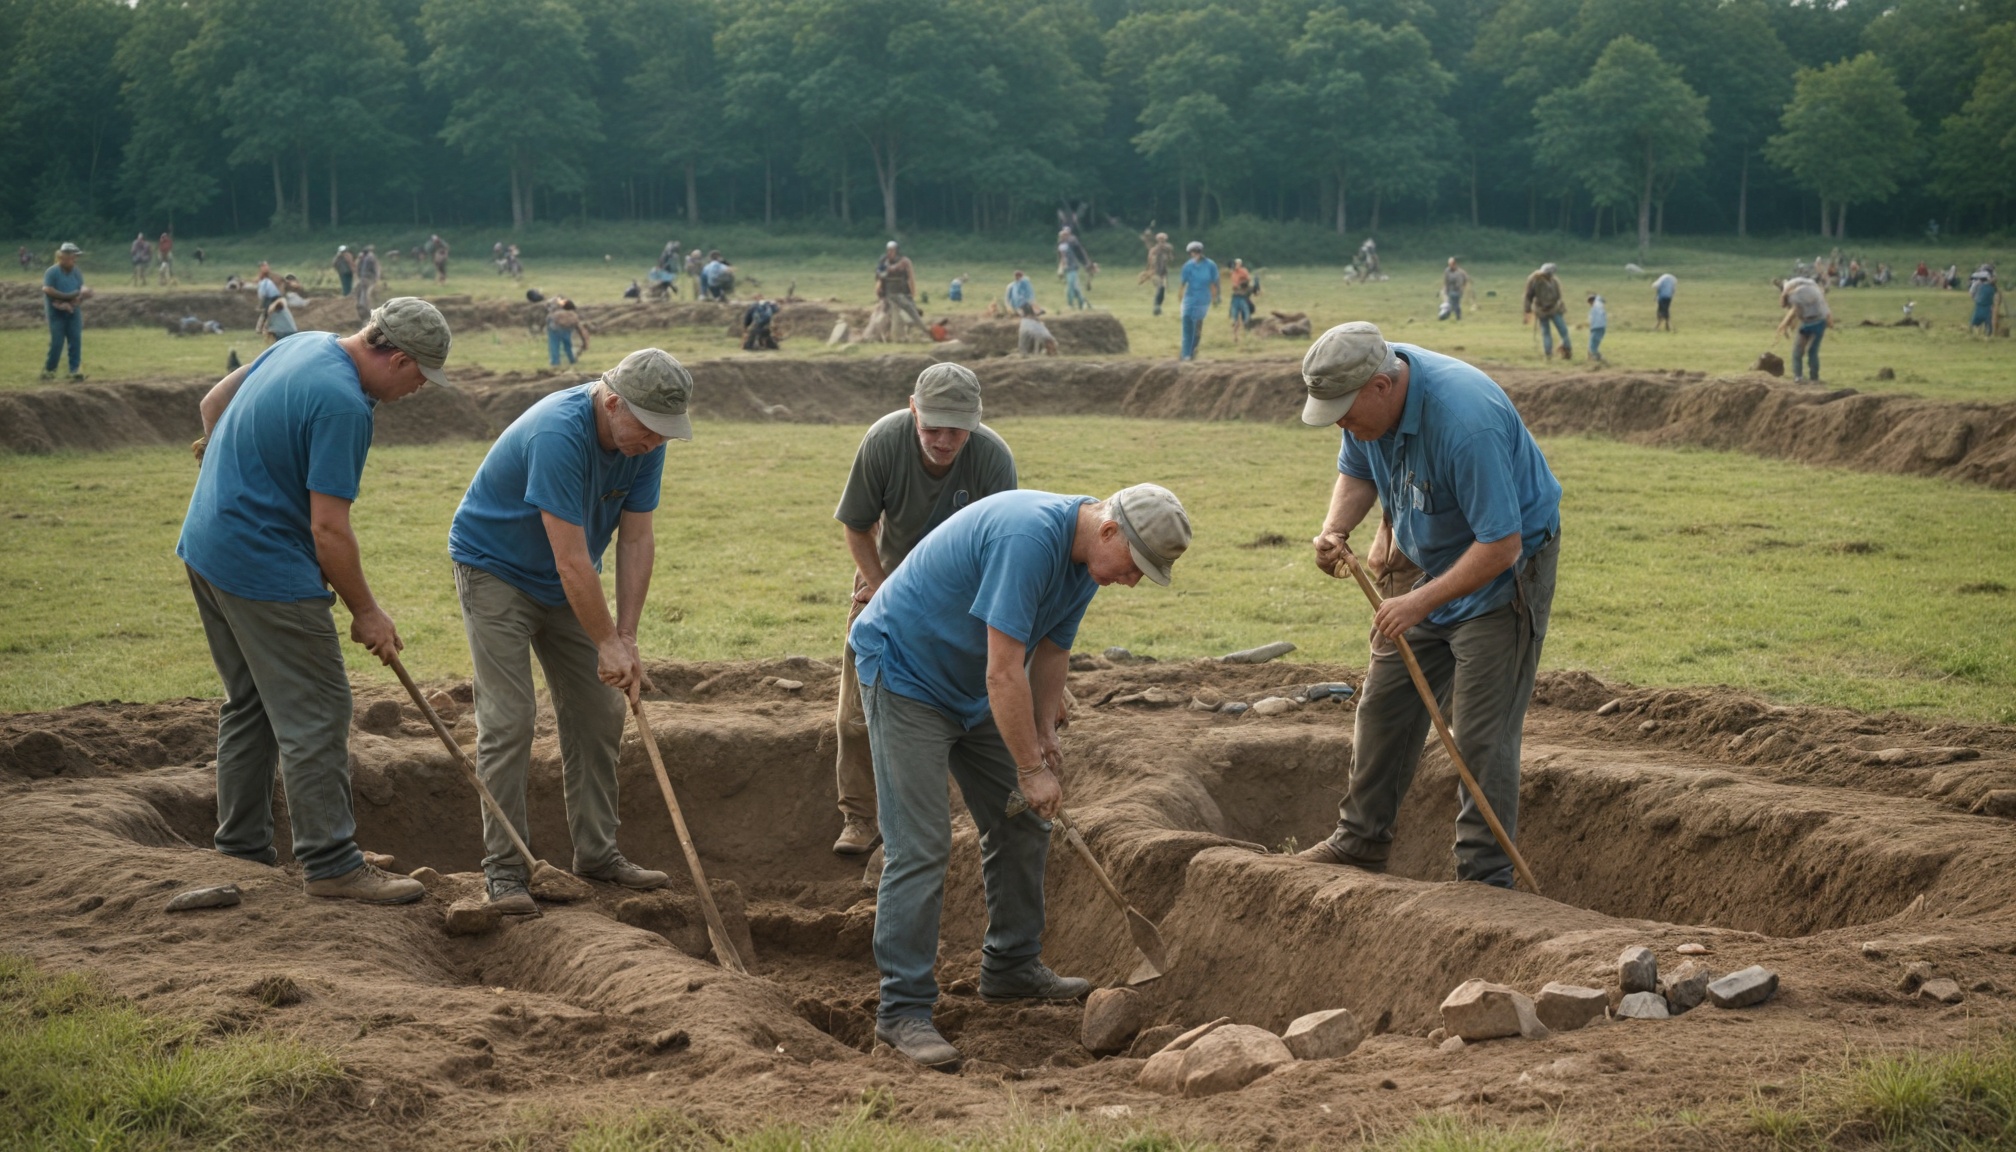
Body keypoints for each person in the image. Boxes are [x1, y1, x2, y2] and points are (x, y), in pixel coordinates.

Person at [849, 480, 1191, 1069]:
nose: (1133, 582)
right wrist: (1029, 766)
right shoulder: (1028, 539)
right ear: (1110, 530)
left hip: (971, 684)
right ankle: (902, 1011)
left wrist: (1045, 736)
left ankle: (1010, 965)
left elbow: (1052, 651)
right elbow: (1005, 672)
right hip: (906, 674)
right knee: (921, 845)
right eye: (1136, 568)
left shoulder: (1087, 562)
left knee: (1022, 821)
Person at [178, 298, 455, 906]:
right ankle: (331, 863)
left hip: (207, 544)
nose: (418, 391)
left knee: (251, 702)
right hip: (263, 567)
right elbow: (329, 530)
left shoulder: (304, 343)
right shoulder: (344, 405)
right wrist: (367, 612)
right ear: (398, 357)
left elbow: (212, 405)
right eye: (419, 378)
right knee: (318, 711)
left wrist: (231, 467)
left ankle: (243, 852)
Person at [1294, 322, 1560, 889]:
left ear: (1383, 387)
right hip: (1423, 555)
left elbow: (1502, 544)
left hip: (1501, 571)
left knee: (1482, 734)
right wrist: (1336, 529)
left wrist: (1418, 603)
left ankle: (1484, 879)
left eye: (1345, 409)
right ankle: (1359, 844)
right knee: (1384, 707)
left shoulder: (1467, 421)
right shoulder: (1367, 407)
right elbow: (1360, 467)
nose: (1342, 422)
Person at [447, 348, 692, 914]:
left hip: (566, 579)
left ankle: (597, 854)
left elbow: (635, 539)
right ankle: (505, 870)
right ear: (613, 403)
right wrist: (605, 640)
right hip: (496, 569)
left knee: (600, 709)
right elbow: (571, 560)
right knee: (510, 718)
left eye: (664, 435)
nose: (655, 444)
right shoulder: (559, 433)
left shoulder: (643, 441)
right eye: (650, 431)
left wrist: (625, 637)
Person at [830, 364, 1017, 856]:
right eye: (932, 427)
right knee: (855, 714)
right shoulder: (884, 441)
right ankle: (858, 817)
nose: (943, 439)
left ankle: (936, 819)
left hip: (961, 595)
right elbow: (857, 525)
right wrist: (881, 588)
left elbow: (1002, 549)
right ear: (913, 409)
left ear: (975, 422)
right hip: (885, 578)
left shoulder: (993, 458)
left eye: (956, 430)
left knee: (967, 714)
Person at [40, 242, 90, 381]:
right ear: (63, 257)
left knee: (75, 340)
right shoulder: (52, 272)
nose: (74, 260)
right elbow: (47, 289)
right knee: (57, 342)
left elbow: (81, 288)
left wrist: (79, 297)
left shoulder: (76, 272)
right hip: (56, 313)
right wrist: (66, 299)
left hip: (73, 312)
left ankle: (74, 371)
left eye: (75, 257)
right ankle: (49, 371)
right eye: (72, 256)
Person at [1776, 277, 1832, 384]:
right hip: (1818, 321)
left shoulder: (1794, 296)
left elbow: (1790, 308)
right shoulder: (1811, 287)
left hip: (1813, 322)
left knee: (1802, 352)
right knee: (1811, 351)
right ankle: (1812, 378)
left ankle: (1800, 377)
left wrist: (1786, 324)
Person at [1177, 241, 1219, 361]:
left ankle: (1192, 350)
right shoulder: (1187, 266)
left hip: (1203, 299)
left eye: (1197, 251)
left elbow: (1213, 283)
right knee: (1186, 323)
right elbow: (1182, 283)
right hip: (1189, 298)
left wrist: (1214, 298)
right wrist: (1180, 297)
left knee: (1197, 327)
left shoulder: (1210, 265)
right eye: (1192, 252)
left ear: (1201, 252)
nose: (1194, 254)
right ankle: (1186, 354)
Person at [1523, 262, 1571, 360]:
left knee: (1563, 331)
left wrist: (1561, 307)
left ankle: (1566, 350)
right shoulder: (1534, 280)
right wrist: (1527, 310)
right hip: (1542, 310)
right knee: (1546, 332)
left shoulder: (1554, 281)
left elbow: (1558, 296)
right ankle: (1548, 353)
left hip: (1554, 309)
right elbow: (1528, 296)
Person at [877, 242, 926, 338]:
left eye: (892, 250)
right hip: (890, 294)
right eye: (888, 250)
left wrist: (912, 292)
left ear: (896, 251)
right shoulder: (884, 261)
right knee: (898, 312)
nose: (890, 252)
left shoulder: (904, 261)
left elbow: (910, 278)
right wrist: (880, 293)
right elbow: (880, 277)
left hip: (904, 292)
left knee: (912, 310)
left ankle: (924, 330)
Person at [547, 298, 588, 365]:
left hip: (555, 330)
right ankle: (572, 359)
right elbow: (579, 328)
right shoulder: (573, 315)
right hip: (566, 331)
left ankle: (555, 362)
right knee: (568, 346)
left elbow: (549, 315)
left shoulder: (556, 313)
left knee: (554, 346)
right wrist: (585, 341)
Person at [1143, 231, 1174, 316]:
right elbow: (1149, 261)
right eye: (1160, 239)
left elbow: (1171, 259)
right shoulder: (1154, 250)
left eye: (1163, 239)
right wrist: (1147, 273)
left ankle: (1158, 307)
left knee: (1162, 290)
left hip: (1163, 273)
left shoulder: (1168, 249)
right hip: (1154, 273)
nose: (1162, 241)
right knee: (1160, 288)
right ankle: (1156, 306)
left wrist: (1167, 255)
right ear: (1157, 240)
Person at [1058, 229, 1090, 310]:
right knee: (1075, 287)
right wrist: (1061, 269)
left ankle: (1070, 304)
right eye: (1062, 236)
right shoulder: (1062, 245)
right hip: (1068, 268)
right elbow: (1062, 258)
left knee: (1070, 286)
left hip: (1072, 267)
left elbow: (1077, 250)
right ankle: (1081, 301)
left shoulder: (1071, 243)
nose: (1063, 237)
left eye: (1065, 235)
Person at [1227, 258, 1257, 343]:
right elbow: (1234, 285)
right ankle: (1235, 337)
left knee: (1246, 317)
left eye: (1238, 264)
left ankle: (1247, 336)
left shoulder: (1243, 271)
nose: (1237, 265)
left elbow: (1248, 280)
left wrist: (1241, 285)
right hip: (1236, 296)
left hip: (1243, 297)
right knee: (1235, 319)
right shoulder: (1233, 273)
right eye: (1236, 264)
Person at [1968, 265, 1998, 337]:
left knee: (1987, 320)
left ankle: (1987, 333)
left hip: (1987, 305)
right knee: (1977, 318)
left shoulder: (1991, 285)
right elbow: (1972, 293)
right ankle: (1975, 331)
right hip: (1981, 304)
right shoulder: (1978, 283)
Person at [354, 245, 381, 323]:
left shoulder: (363, 258)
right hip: (368, 278)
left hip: (364, 278)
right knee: (365, 295)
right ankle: (366, 311)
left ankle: (364, 310)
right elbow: (376, 269)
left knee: (363, 294)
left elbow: (358, 268)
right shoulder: (371, 258)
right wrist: (376, 278)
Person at [1586, 294, 1607, 364]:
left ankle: (1598, 359)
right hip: (1598, 327)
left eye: (1590, 303)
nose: (1590, 305)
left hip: (1597, 327)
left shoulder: (1597, 305)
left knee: (1593, 347)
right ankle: (1595, 359)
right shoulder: (1598, 305)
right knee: (1592, 345)